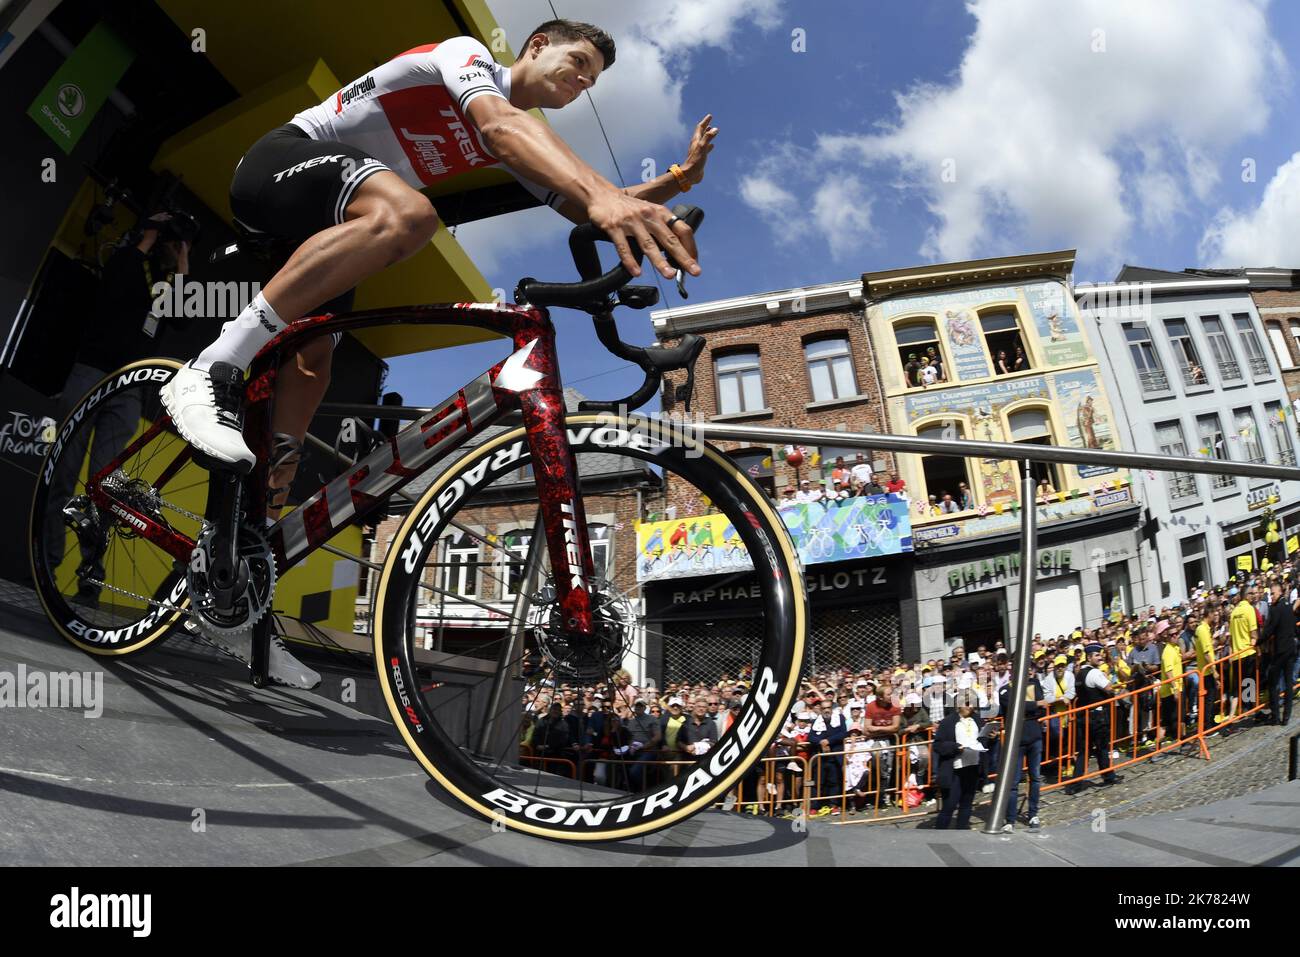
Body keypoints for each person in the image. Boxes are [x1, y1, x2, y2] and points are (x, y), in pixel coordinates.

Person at [46, 211, 194, 607]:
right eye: (170, 239)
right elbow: (112, 288)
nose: (170, 245)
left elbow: (181, 318)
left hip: (128, 390)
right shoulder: (127, 260)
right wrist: (147, 237)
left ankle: (89, 577)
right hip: (90, 373)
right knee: (62, 472)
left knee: (105, 490)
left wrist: (183, 262)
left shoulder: (167, 284)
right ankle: (45, 564)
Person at [1065, 644, 1125, 794]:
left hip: (1083, 717)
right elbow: (1109, 689)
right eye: (1097, 655)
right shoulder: (1094, 673)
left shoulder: (1079, 674)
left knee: (1084, 752)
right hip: (1097, 717)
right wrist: (1106, 678)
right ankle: (1108, 776)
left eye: (1100, 655)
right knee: (1102, 748)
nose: (1100, 657)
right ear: (1089, 657)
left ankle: (1075, 784)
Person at [998, 665, 1046, 831]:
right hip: (1015, 739)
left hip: (1034, 734)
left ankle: (1033, 814)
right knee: (1013, 781)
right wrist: (1034, 704)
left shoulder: (1034, 684)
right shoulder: (1004, 690)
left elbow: (1042, 705)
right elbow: (1015, 705)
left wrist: (1032, 706)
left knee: (1035, 777)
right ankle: (1009, 819)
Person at [933, 691, 987, 829]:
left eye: (972, 704)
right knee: (950, 805)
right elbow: (938, 745)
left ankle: (962, 830)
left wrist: (992, 738)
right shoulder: (948, 722)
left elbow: (983, 741)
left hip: (973, 766)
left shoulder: (978, 720)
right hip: (955, 769)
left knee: (967, 803)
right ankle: (940, 832)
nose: (970, 707)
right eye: (966, 703)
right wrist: (956, 747)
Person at [1262, 580, 1297, 725]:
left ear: (1280, 592)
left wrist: (1258, 641)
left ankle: (1276, 716)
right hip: (1290, 649)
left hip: (1281, 651)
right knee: (1288, 683)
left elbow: (1269, 630)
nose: (1271, 596)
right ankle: (1286, 716)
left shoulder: (1277, 609)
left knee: (1273, 682)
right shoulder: (1289, 606)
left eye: (1273, 593)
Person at [1226, 586, 1259, 720]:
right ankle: (1251, 709)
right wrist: (1256, 644)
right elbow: (1253, 633)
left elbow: (1232, 636)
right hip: (1247, 651)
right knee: (1249, 681)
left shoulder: (1234, 612)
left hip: (1237, 654)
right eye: (1251, 593)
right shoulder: (1249, 609)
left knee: (1240, 684)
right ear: (1246, 595)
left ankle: (1240, 711)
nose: (1253, 596)